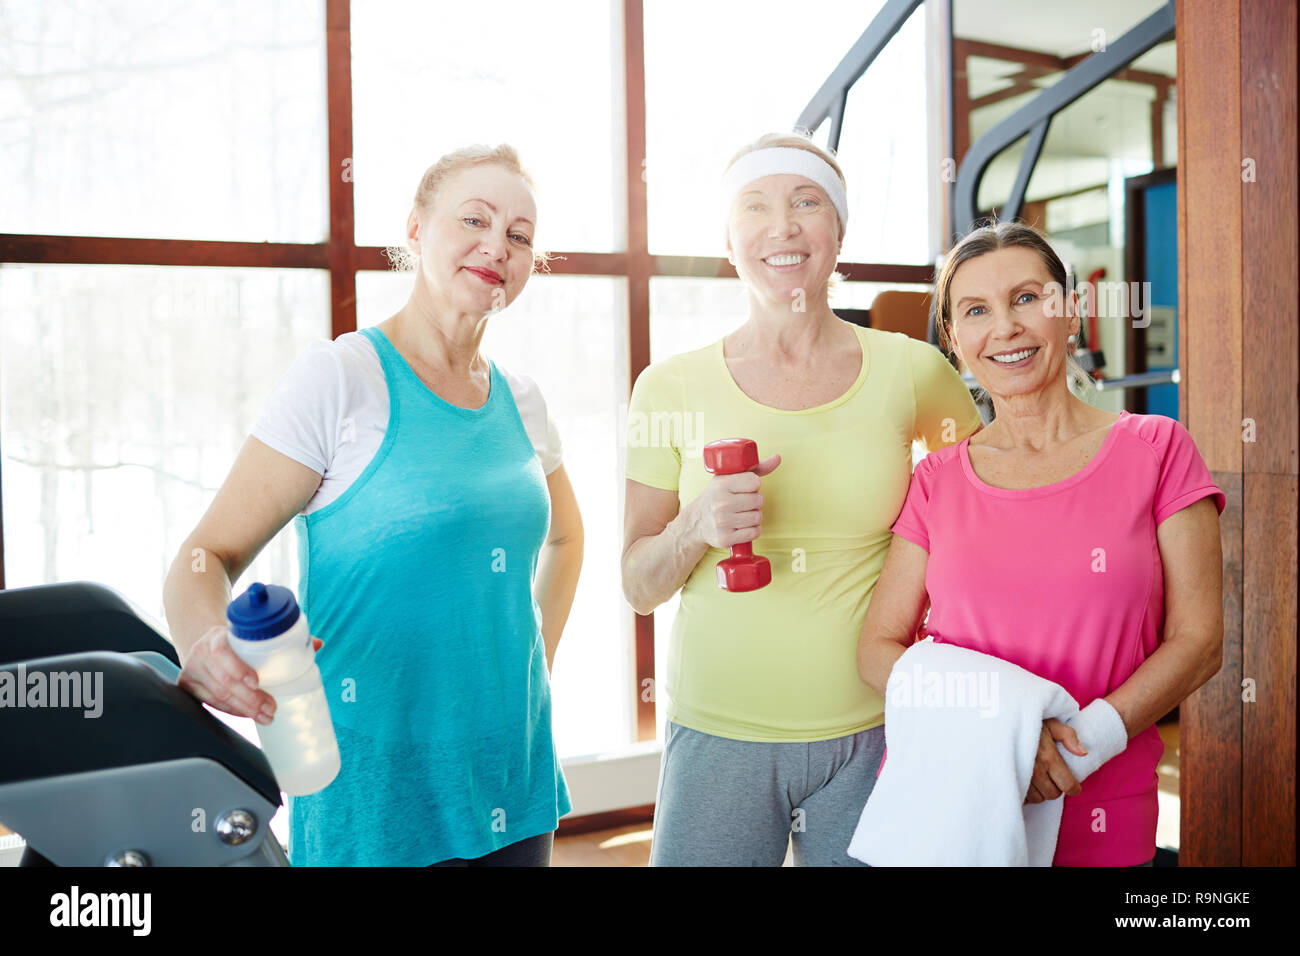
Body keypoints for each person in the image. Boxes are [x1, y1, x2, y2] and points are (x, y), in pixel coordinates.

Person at [163, 144, 582, 867]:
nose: (497, 247)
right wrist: (205, 641)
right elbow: (205, 557)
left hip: (510, 770)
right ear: (415, 229)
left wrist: (530, 673)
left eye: (519, 235)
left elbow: (567, 540)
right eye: (474, 220)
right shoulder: (340, 378)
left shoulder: (523, 399)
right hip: (374, 784)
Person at [622, 131, 983, 866]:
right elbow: (638, 586)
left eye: (807, 203)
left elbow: (988, 522)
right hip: (718, 733)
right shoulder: (669, 386)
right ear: (728, 241)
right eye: (755, 205)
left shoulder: (915, 371)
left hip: (874, 730)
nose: (782, 226)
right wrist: (696, 524)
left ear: (839, 233)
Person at [857, 220, 1224, 866]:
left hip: (1101, 811)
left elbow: (1199, 641)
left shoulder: (1158, 450)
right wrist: (1000, 733)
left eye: (1027, 298)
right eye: (976, 310)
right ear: (955, 340)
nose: (1005, 327)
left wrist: (1078, 748)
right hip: (952, 807)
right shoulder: (937, 479)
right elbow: (876, 648)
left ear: (1071, 311)